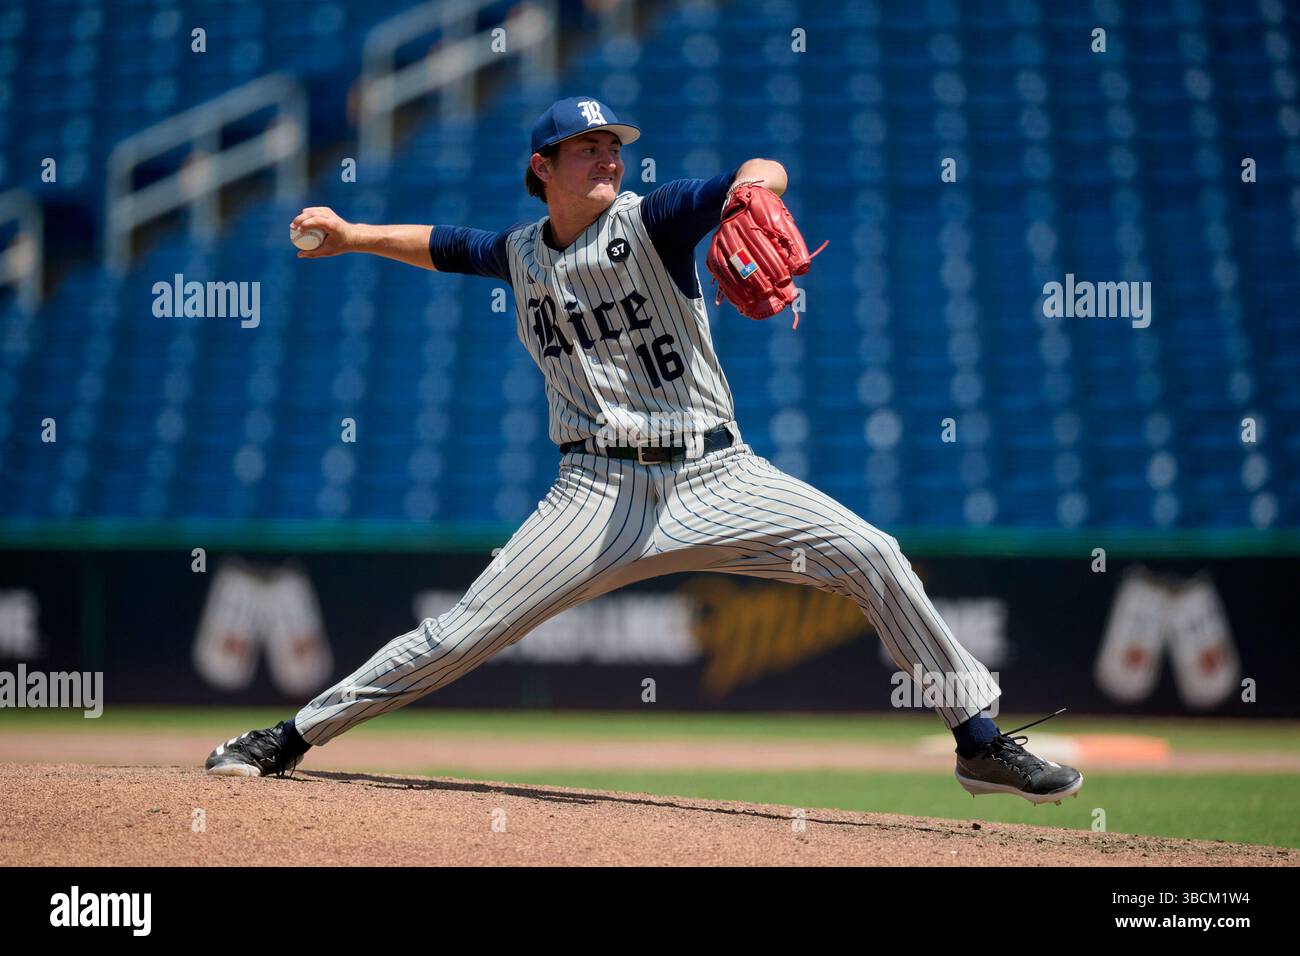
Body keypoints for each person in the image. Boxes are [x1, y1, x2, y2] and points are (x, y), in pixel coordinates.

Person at [205, 96, 1083, 806]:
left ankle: (979, 743)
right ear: (541, 169)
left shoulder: (652, 221)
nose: (607, 158)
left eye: (612, 146)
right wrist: (353, 234)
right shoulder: (519, 254)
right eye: (586, 148)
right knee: (458, 634)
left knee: (873, 553)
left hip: (718, 473)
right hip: (593, 491)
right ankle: (288, 738)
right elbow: (442, 247)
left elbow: (753, 170)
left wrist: (756, 193)